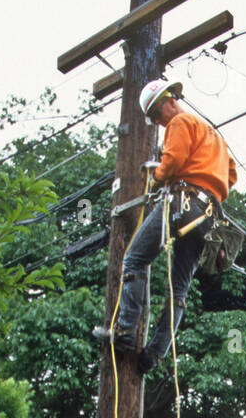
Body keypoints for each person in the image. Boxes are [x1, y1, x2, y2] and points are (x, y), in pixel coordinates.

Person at [93, 78, 237, 374]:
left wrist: (158, 175)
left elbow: (171, 164)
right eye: (155, 117)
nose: (159, 120)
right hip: (208, 219)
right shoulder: (215, 137)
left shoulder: (181, 122)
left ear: (172, 99)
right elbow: (231, 175)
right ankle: (154, 354)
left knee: (134, 259)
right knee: (179, 288)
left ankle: (125, 332)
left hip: (181, 203)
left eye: (159, 112)